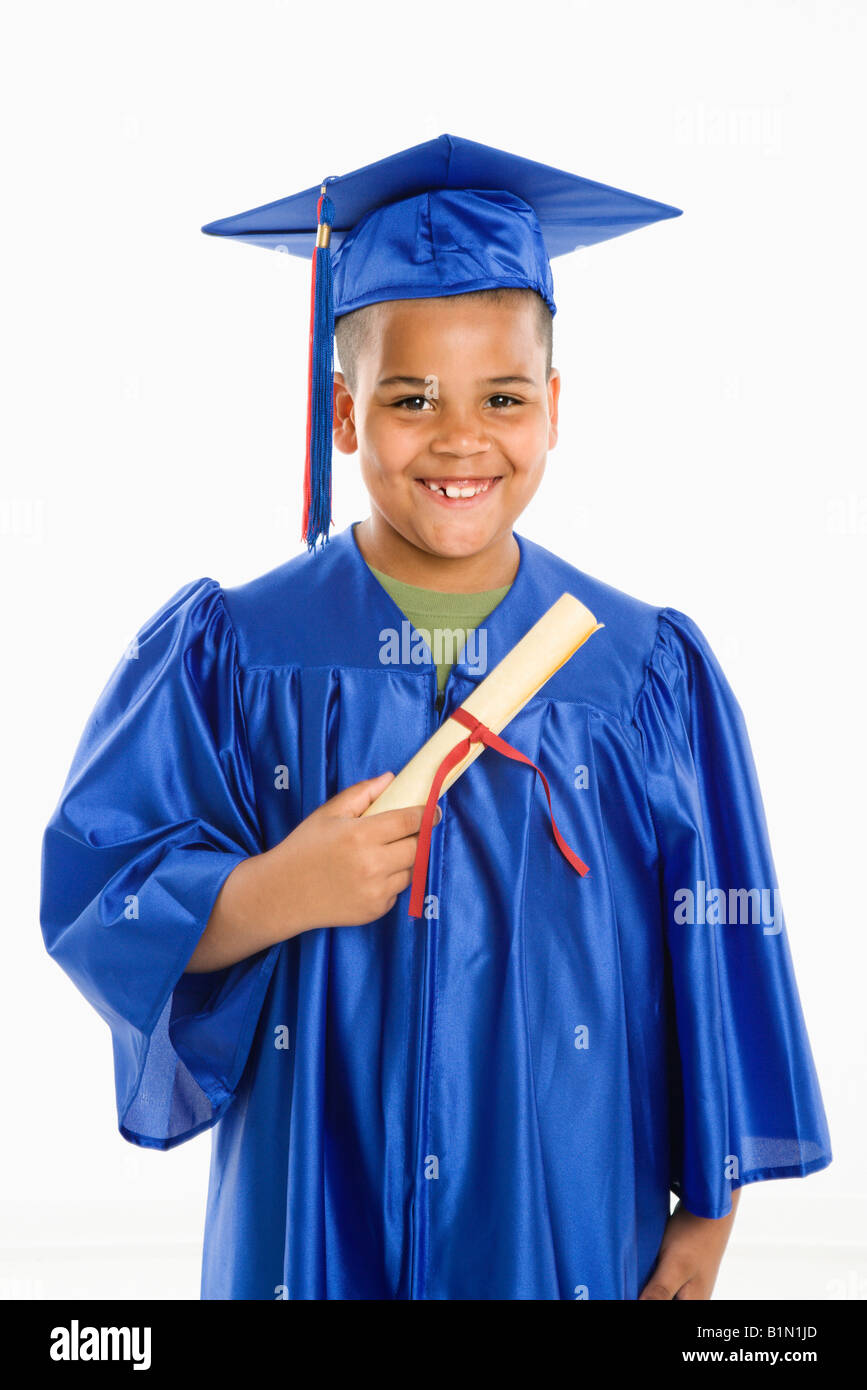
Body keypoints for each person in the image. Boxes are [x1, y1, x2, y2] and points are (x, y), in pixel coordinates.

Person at [39, 134, 832, 1300]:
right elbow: (98, 892)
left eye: (503, 397)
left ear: (554, 408)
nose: (461, 439)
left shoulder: (639, 670)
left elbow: (712, 946)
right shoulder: (236, 653)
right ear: (345, 414)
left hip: (562, 1197)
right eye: (410, 400)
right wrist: (274, 890)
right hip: (318, 1196)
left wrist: (708, 1213)